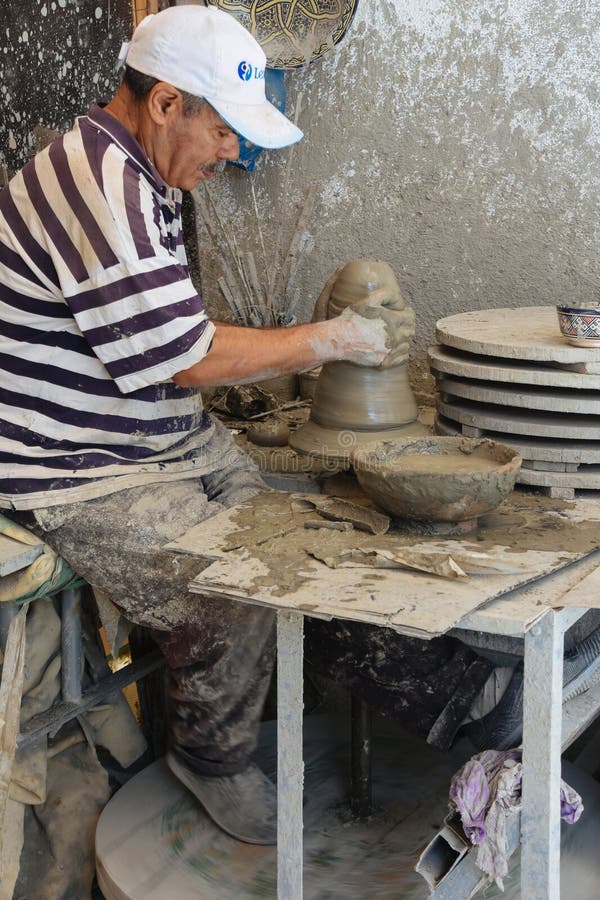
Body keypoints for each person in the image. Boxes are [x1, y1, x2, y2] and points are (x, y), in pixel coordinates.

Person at [0, 5, 408, 845]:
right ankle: (208, 756)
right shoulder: (97, 179)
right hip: (74, 462)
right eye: (222, 129)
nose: (233, 151)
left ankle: (253, 716)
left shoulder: (144, 173)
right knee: (236, 588)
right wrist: (324, 341)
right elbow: (183, 356)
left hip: (158, 439)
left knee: (290, 534)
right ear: (163, 104)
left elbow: (170, 346)